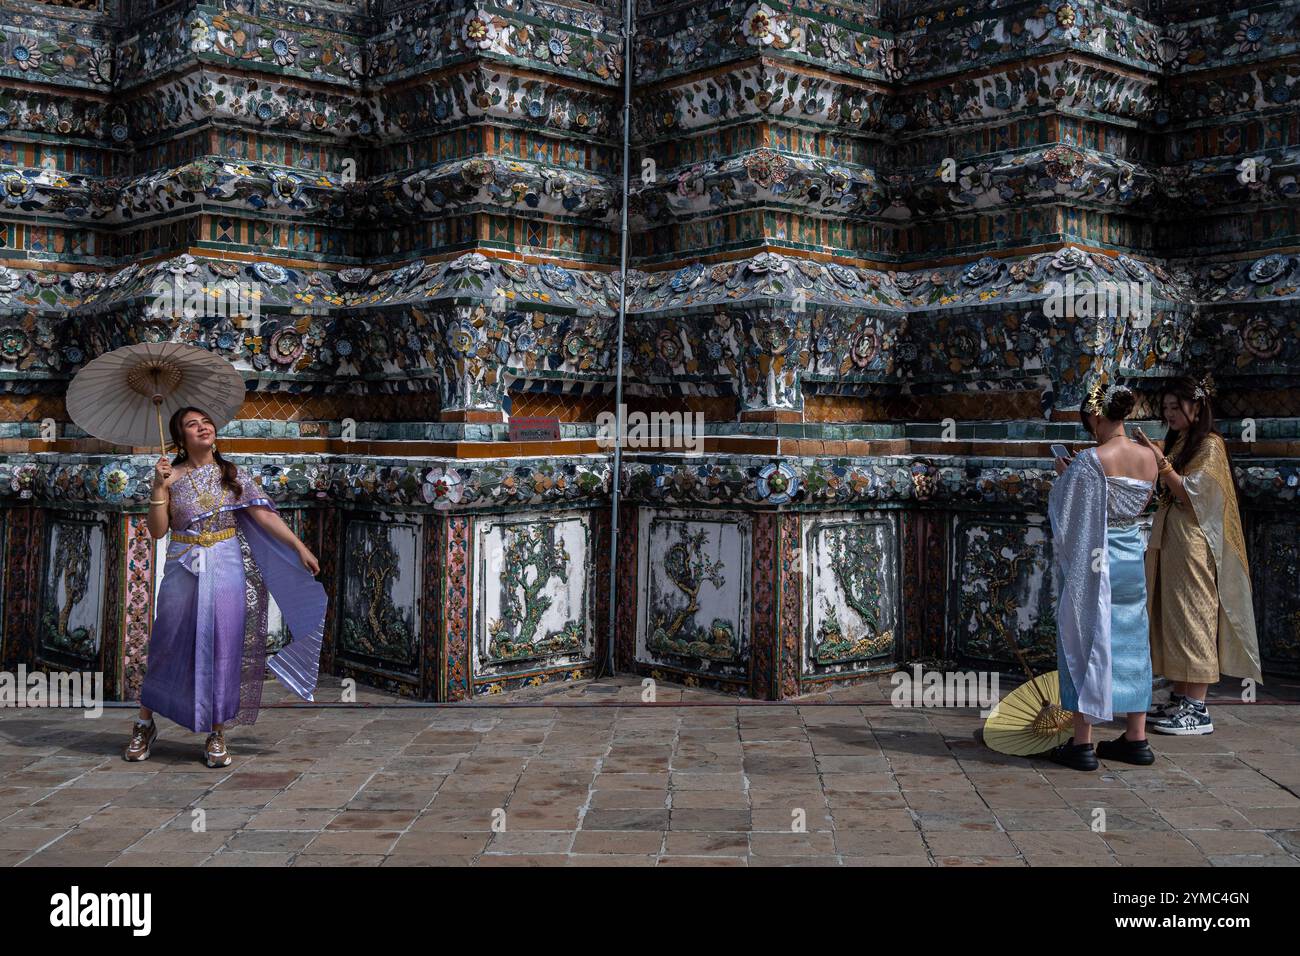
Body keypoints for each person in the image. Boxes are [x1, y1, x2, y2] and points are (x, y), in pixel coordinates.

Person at [125, 406, 327, 767]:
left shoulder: (233, 475)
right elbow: (157, 531)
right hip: (184, 564)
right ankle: (145, 723)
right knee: (168, 641)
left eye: (206, 423)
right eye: (192, 425)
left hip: (226, 563)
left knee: (223, 643)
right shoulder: (170, 477)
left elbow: (263, 515)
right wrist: (158, 486)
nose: (203, 428)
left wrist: (298, 546)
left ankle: (216, 732)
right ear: (181, 438)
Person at [1134, 375, 1262, 735]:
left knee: (1195, 616)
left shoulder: (1210, 445)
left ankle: (1198, 705)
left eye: (1176, 407)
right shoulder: (1183, 442)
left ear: (1197, 406)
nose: (1169, 414)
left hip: (1193, 542)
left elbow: (1191, 494)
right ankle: (1180, 694)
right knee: (1172, 616)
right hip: (1171, 538)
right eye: (1166, 408)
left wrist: (1162, 463)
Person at [1045, 381, 1159, 771]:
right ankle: (1136, 738)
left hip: (1098, 562)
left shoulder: (1090, 461)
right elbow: (1140, 504)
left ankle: (1082, 743)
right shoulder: (1150, 457)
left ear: (1095, 416)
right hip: (1131, 558)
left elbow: (1070, 515)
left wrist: (1065, 475)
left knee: (1087, 637)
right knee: (1132, 639)